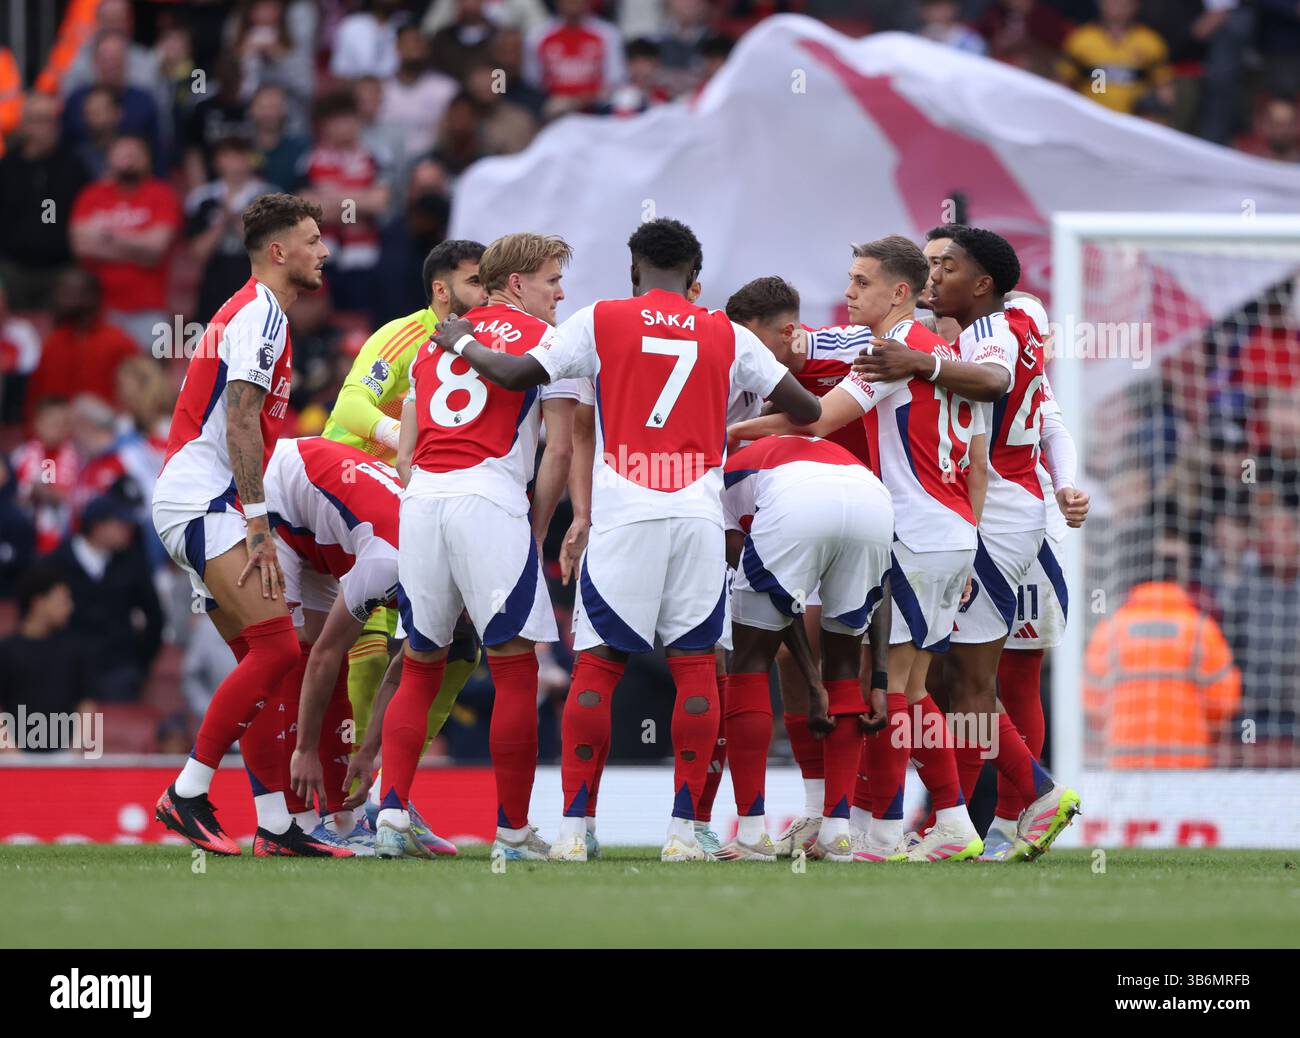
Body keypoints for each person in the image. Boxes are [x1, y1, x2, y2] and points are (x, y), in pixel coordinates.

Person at [432, 217, 821, 861]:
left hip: (623, 513)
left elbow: (511, 373)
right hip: (697, 512)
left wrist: (459, 342)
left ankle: (574, 833)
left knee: (600, 665)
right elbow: (806, 410)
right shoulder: (724, 331)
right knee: (697, 667)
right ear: (696, 281)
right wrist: (725, 438)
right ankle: (681, 833)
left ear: (634, 271)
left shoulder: (600, 319)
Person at [731, 236, 988, 862]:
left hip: (915, 527)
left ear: (899, 292)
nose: (848, 294)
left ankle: (881, 829)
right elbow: (976, 458)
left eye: (860, 282)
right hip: (951, 527)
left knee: (891, 689)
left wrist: (730, 431)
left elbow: (817, 417)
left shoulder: (890, 352)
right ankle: (952, 823)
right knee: (918, 689)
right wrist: (971, 537)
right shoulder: (944, 353)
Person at [856, 226, 1082, 861]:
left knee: (972, 680)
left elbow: (993, 382)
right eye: (927, 265)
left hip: (995, 512)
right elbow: (1048, 414)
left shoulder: (990, 334)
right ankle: (988, 817)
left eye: (944, 266)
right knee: (963, 678)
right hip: (1015, 510)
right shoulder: (1020, 316)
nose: (932, 278)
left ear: (982, 283)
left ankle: (1032, 796)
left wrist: (920, 363)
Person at [375, 232, 581, 861]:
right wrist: (537, 526)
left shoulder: (432, 345)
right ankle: (514, 834)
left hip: (423, 502)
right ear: (516, 283)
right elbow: (562, 451)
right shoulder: (552, 342)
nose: (560, 292)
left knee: (420, 664)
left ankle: (389, 816)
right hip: (489, 499)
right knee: (516, 672)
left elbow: (405, 453)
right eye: (551, 279)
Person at [151, 193, 335, 858]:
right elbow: (237, 421)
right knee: (281, 651)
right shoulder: (260, 313)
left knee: (262, 661)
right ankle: (189, 791)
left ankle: (276, 826)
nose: (325, 251)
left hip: (204, 500)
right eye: (313, 240)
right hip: (205, 501)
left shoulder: (256, 311)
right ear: (280, 251)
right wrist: (259, 522)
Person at [319, 239, 490, 857]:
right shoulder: (402, 336)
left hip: (423, 505)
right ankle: (360, 806)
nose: (486, 292)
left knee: (459, 648)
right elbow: (349, 404)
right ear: (442, 290)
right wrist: (405, 442)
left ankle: (394, 792)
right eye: (475, 281)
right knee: (371, 644)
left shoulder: (486, 344)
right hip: (353, 496)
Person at [715, 434, 893, 861]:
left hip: (801, 503)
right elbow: (883, 589)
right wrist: (880, 680)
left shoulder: (718, 480)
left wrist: (812, 684)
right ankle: (837, 835)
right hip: (873, 499)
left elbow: (778, 604)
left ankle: (752, 834)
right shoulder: (831, 455)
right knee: (846, 672)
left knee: (750, 661)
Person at [69, 135, 182, 352]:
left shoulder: (161, 194)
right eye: (123, 154)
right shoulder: (92, 195)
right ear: (109, 159)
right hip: (99, 309)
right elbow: (81, 245)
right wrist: (138, 248)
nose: (129, 160)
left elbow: (156, 249)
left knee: (149, 378)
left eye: (136, 154)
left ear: (147, 161)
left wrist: (108, 236)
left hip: (148, 307)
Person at [0, 93, 89, 310]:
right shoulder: (7, 167)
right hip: (13, 266)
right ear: (24, 125)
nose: (49, 127)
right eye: (40, 120)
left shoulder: (74, 165)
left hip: (62, 266)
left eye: (53, 120)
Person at [185, 136, 278, 322]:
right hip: (213, 287)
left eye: (240, 155)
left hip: (257, 287)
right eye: (228, 156)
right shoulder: (202, 198)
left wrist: (236, 220)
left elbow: (270, 250)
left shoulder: (270, 196)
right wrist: (221, 223)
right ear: (217, 161)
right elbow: (197, 253)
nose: (235, 163)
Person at [0, 563, 88, 742]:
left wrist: (76, 748)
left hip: (65, 757)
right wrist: (10, 751)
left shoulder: (74, 650)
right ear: (39, 602)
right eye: (63, 601)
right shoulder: (6, 651)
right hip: (15, 758)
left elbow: (86, 702)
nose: (69, 608)